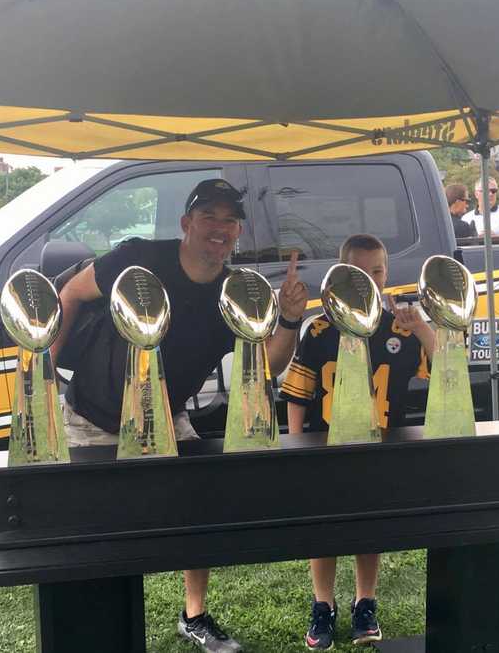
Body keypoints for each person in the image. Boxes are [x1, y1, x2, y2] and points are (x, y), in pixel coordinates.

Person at [52, 177, 309, 653]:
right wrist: (46, 375)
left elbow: (266, 366)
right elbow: (70, 292)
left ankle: (194, 616)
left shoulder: (234, 290)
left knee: (196, 511)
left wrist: (290, 319)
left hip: (168, 416)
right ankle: (101, 620)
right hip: (94, 416)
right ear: (187, 222)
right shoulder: (138, 259)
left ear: (238, 232)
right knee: (97, 528)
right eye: (209, 216)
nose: (220, 228)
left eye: (230, 220)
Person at [279, 234, 435, 650]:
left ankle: (365, 602)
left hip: (380, 448)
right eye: (359, 271)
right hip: (325, 447)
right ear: (340, 275)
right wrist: (297, 447)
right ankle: (323, 604)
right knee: (323, 528)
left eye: (377, 270)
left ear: (387, 273)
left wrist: (421, 327)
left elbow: (445, 368)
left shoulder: (399, 328)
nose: (369, 278)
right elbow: (297, 394)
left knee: (371, 528)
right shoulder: (320, 329)